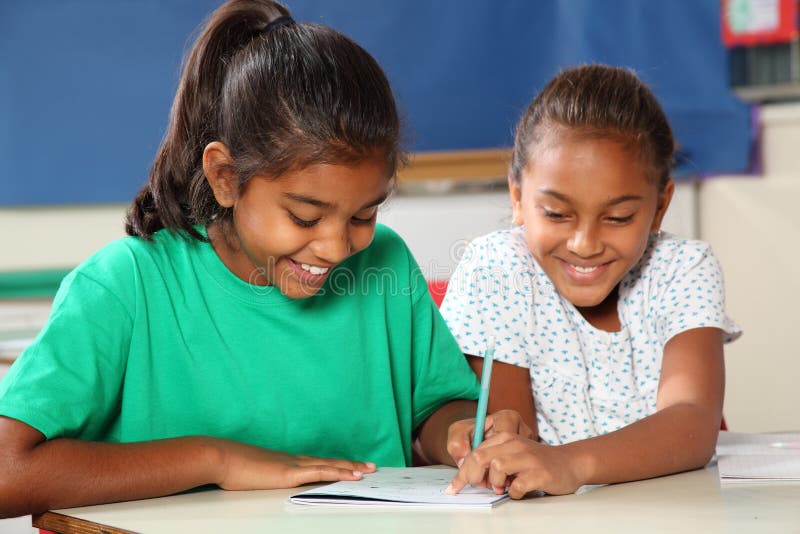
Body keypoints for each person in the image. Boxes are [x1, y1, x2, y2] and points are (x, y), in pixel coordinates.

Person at [0, 0, 527, 517]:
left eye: (363, 214)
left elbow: (436, 407)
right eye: (304, 216)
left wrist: (462, 432)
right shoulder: (125, 285)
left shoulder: (385, 261)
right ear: (225, 178)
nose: (336, 248)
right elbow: (7, 470)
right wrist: (215, 459)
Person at [441, 64, 741, 499]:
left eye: (618, 217)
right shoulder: (498, 269)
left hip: (672, 516)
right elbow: (511, 450)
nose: (584, 244)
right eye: (557, 214)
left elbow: (692, 421)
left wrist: (571, 463)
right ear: (518, 198)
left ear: (659, 207)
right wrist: (535, 461)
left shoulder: (684, 269)